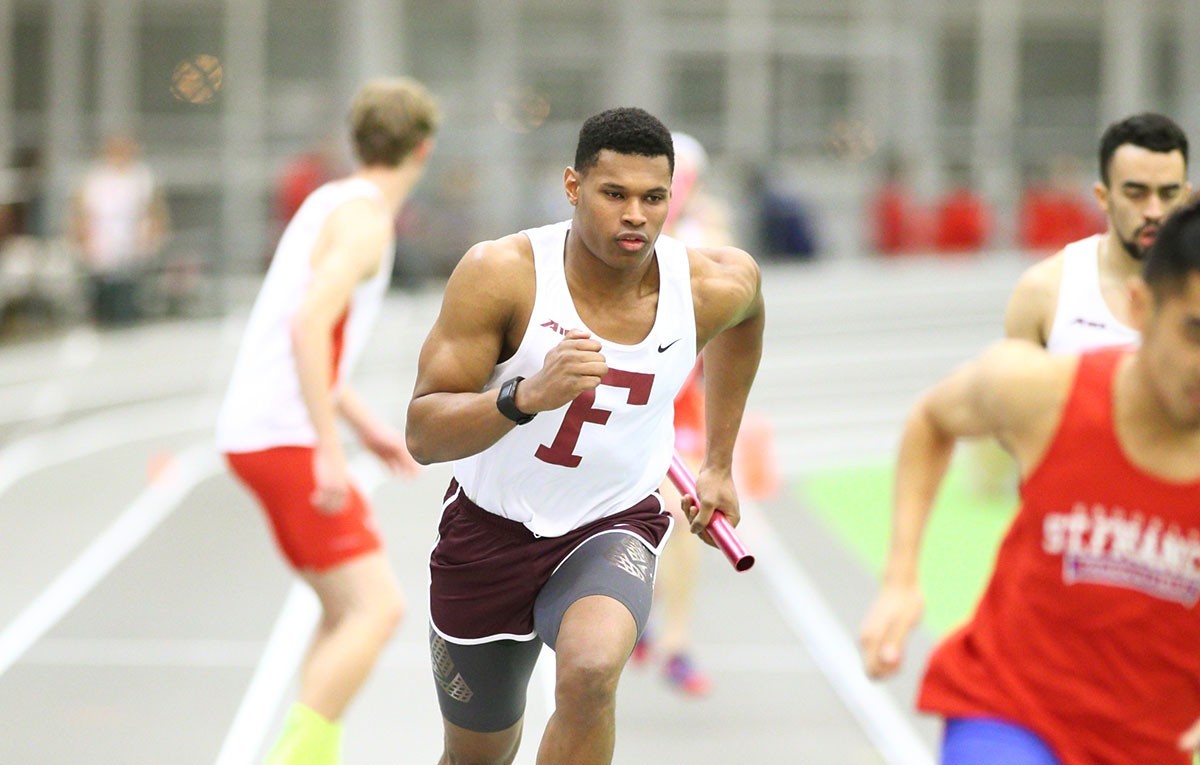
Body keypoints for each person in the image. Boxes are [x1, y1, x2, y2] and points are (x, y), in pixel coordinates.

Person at [405, 107, 764, 765]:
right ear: (573, 187)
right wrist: (523, 396)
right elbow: (423, 432)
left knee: (592, 669)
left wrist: (718, 461)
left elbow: (749, 315)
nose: (636, 214)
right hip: (489, 531)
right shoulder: (503, 274)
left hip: (611, 524)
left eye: (653, 197)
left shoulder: (710, 284)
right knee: (476, 755)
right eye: (614, 194)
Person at [859, 197, 1200, 764]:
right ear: (1140, 308)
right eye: (1194, 331)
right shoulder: (1043, 390)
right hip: (1009, 712)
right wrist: (900, 577)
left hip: (1146, 744)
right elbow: (933, 419)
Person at [215, 77, 437, 765]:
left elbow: (315, 338)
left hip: (261, 429)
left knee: (344, 611)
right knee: (379, 608)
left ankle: (310, 752)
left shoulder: (330, 202)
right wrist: (328, 449)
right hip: (282, 437)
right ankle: (297, 757)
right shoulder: (367, 223)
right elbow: (308, 323)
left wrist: (363, 421)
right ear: (424, 149)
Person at [628, 131, 733, 696]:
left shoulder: (701, 235)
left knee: (682, 509)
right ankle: (634, 610)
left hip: (679, 391)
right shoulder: (630, 228)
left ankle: (676, 640)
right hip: (628, 385)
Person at [1006, 112, 1190, 350]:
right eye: (1136, 193)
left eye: (1168, 194)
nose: (1154, 211)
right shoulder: (1044, 290)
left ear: (1186, 198)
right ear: (1103, 197)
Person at [68, 134, 170, 325]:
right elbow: (80, 212)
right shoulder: (95, 177)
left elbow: (155, 211)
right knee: (101, 293)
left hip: (131, 244)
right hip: (101, 243)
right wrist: (82, 237)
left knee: (129, 294)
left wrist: (151, 237)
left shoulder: (142, 176)